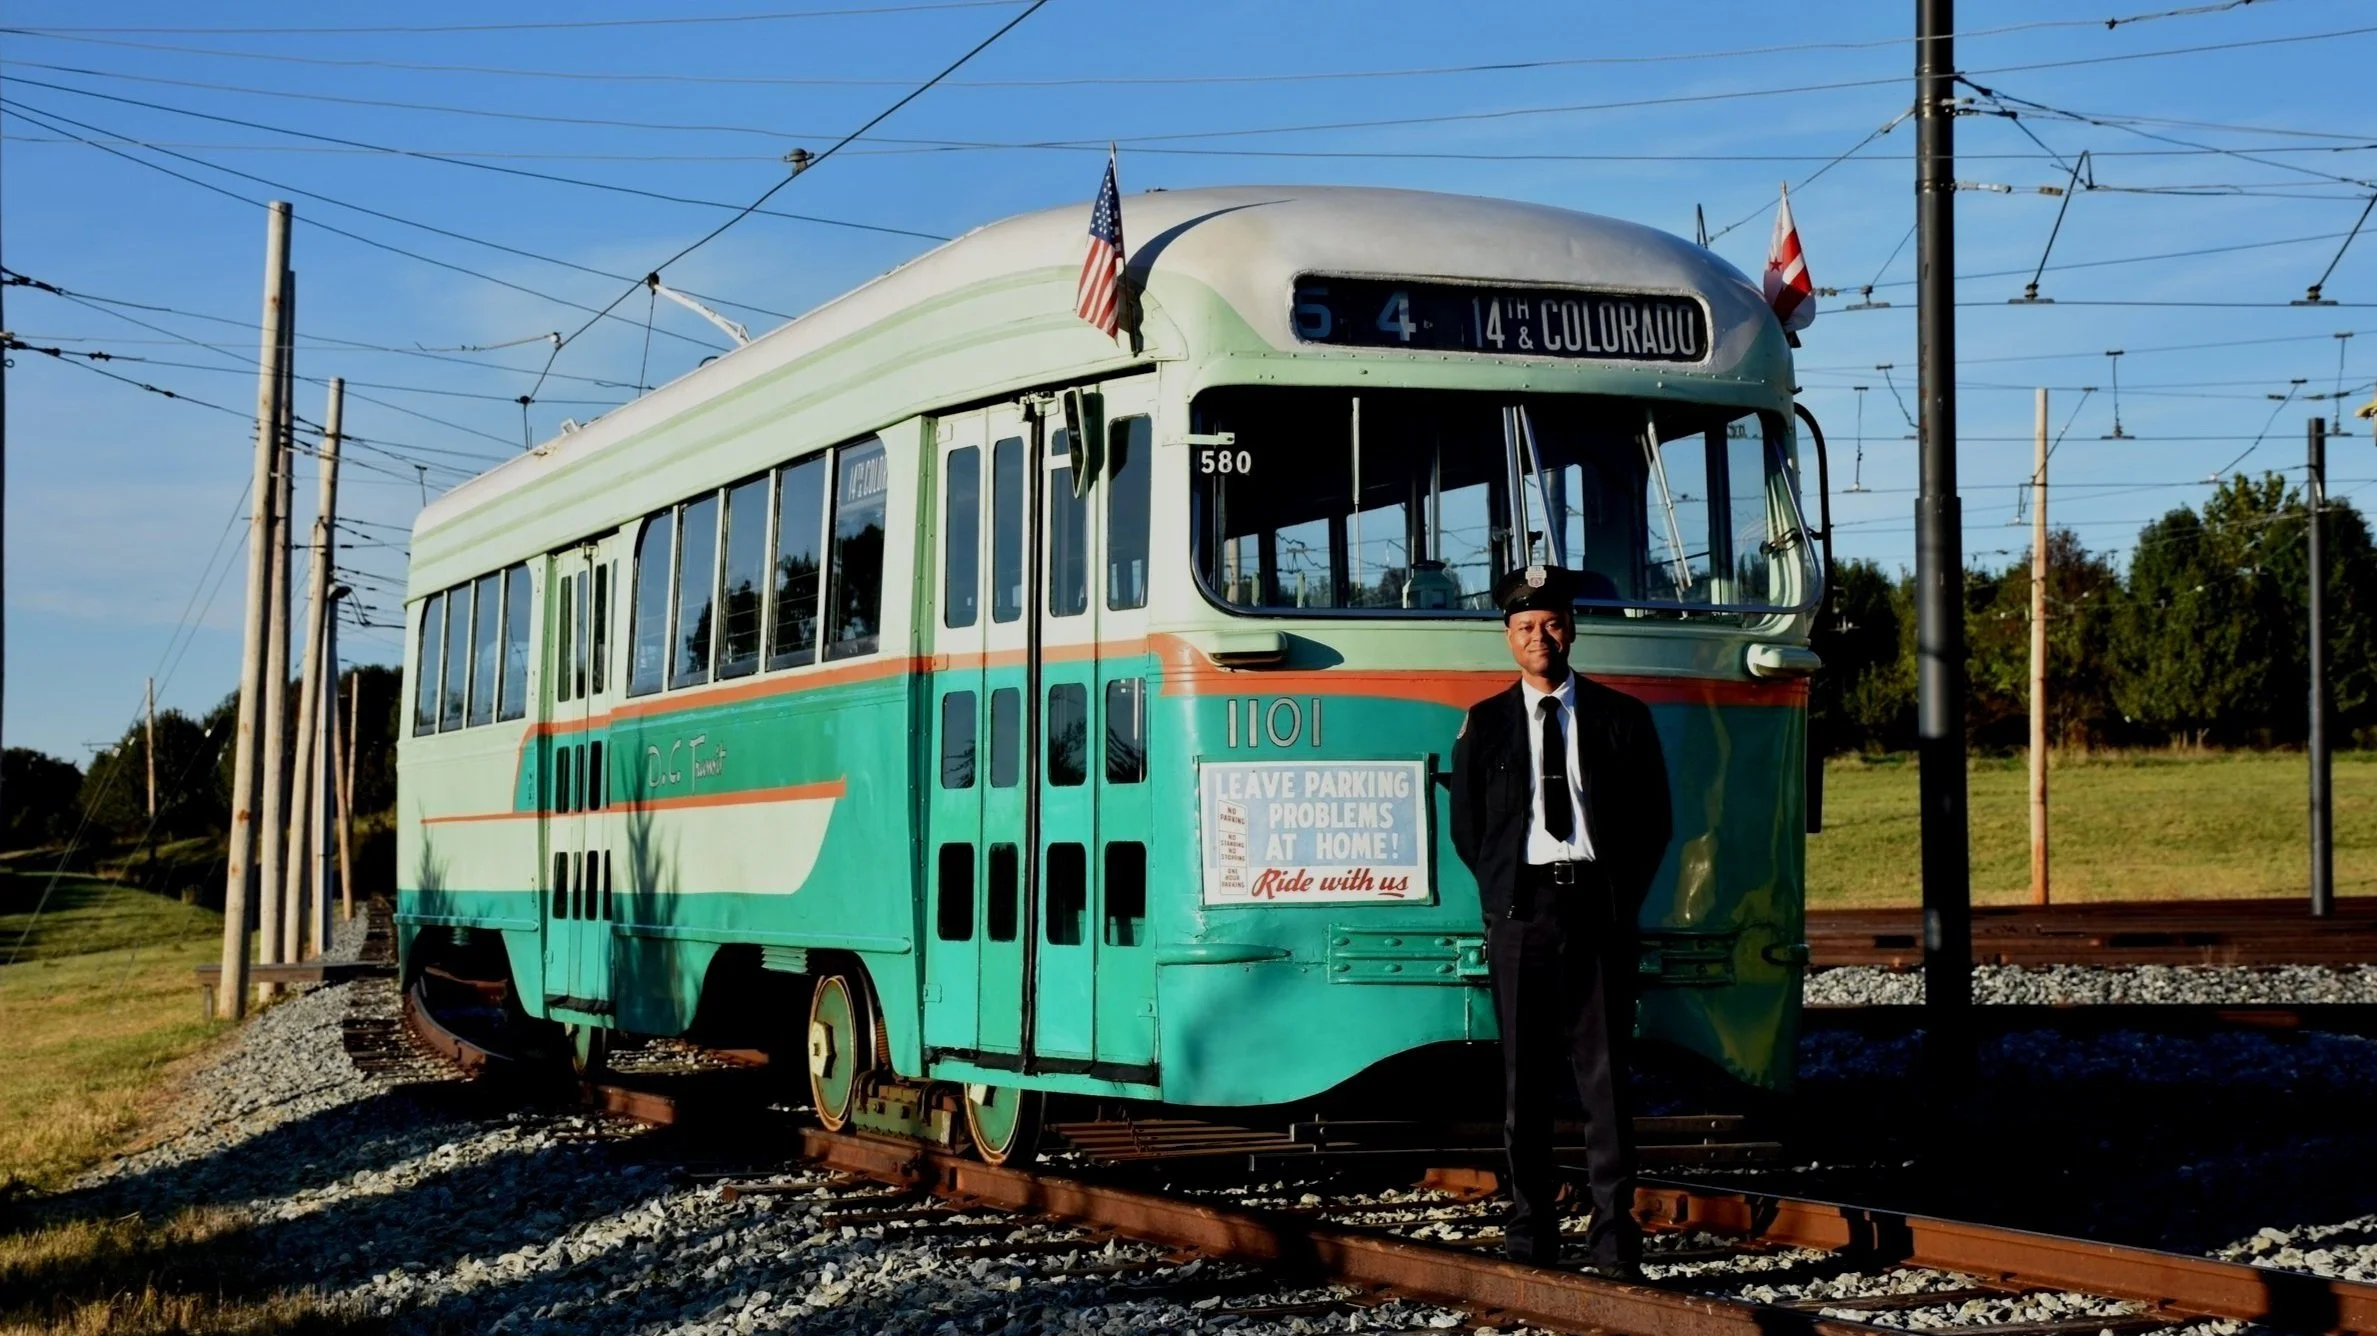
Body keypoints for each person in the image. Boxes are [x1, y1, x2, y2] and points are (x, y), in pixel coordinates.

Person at [1448, 563, 1673, 1276]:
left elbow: (1652, 821)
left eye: (1548, 624)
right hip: (1521, 916)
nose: (1537, 637)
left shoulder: (1621, 717)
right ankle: (1529, 1239)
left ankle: (1613, 1244)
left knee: (1605, 1083)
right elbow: (1467, 828)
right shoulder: (1483, 724)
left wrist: (1616, 902)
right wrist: (1500, 903)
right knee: (1523, 1085)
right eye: (1522, 627)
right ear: (1507, 639)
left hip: (1597, 913)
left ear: (1570, 630)